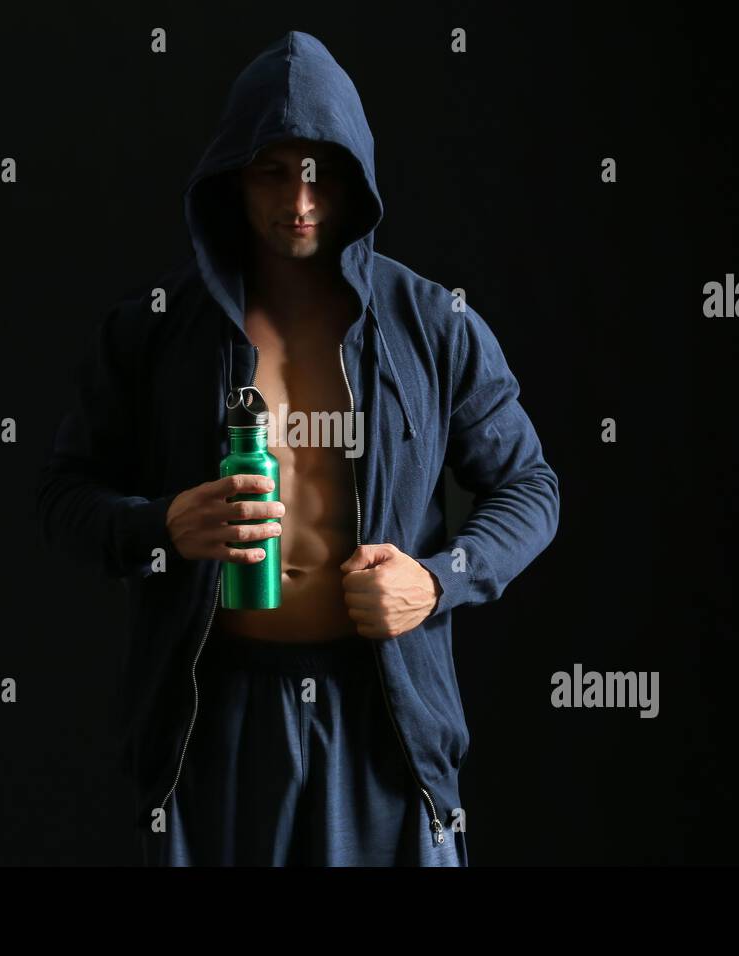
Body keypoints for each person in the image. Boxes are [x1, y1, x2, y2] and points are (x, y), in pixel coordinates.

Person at [36, 30, 560, 866]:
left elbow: (530, 487)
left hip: (385, 721)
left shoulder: (431, 324)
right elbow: (64, 496)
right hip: (216, 719)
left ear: (355, 177)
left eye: (320, 171)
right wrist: (161, 525)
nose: (299, 199)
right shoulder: (154, 331)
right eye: (271, 171)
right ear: (230, 179)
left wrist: (437, 580)